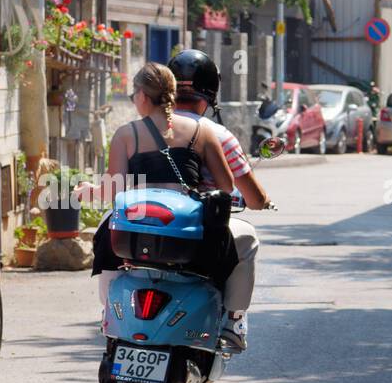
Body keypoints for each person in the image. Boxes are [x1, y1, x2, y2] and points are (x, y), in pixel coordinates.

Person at [79, 61, 236, 313]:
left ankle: (111, 311)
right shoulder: (202, 130)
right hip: (186, 228)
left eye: (133, 95)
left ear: (142, 95)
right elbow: (226, 185)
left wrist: (89, 190)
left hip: (139, 225)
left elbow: (113, 189)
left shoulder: (127, 134)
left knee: (105, 237)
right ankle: (230, 319)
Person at [169, 49, 274, 352]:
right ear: (211, 93)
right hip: (196, 234)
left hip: (148, 226)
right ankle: (234, 320)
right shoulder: (219, 135)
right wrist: (263, 200)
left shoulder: (145, 129)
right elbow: (251, 197)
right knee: (249, 240)